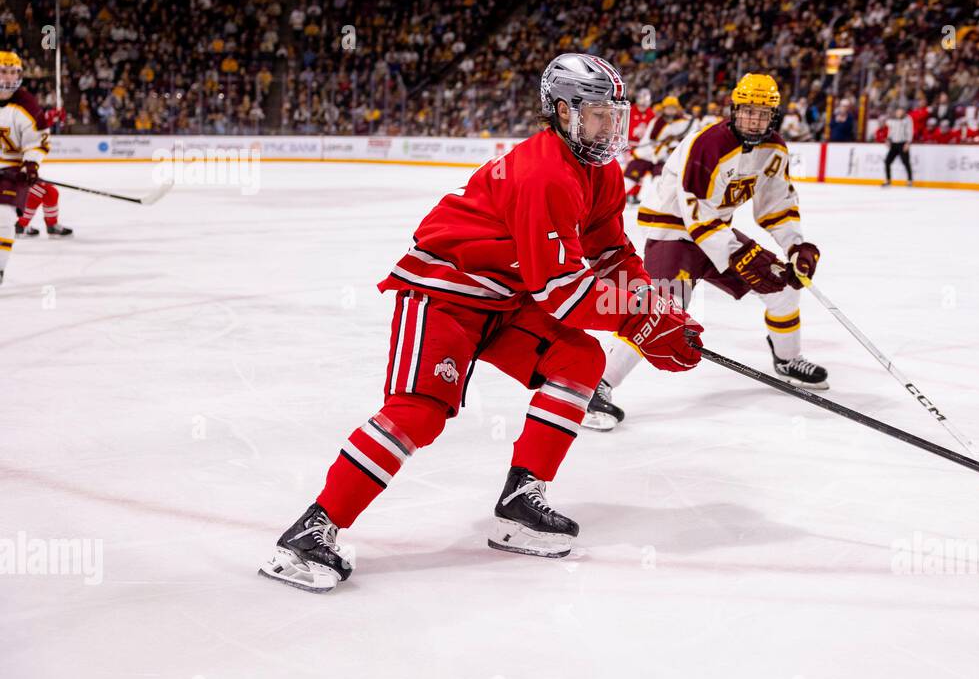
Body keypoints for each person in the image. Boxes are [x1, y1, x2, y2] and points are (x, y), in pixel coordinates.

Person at [259, 54, 704, 592]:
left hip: (508, 294)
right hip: (447, 291)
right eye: (596, 115)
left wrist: (659, 308)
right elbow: (562, 294)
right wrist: (638, 320)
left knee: (580, 360)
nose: (611, 128)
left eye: (615, 115)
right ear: (562, 112)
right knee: (418, 413)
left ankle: (521, 502)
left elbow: (610, 252)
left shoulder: (602, 171)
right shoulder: (545, 173)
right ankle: (312, 529)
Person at [584, 73, 827, 430]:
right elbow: (695, 213)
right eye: (748, 111)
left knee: (785, 286)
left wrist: (796, 244)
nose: (755, 120)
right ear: (734, 109)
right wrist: (740, 253)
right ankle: (598, 385)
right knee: (663, 310)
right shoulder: (708, 144)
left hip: (715, 233)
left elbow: (776, 204)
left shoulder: (773, 150)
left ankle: (787, 359)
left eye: (763, 114)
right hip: (673, 232)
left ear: (773, 116)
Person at [0, 51, 56, 283]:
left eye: (14, 71)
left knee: (3, 218)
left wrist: (31, 166)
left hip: (13, 172)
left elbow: (38, 140)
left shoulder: (27, 104)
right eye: (4, 71)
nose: (10, 77)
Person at [883, 105, 914, 186]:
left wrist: (908, 143)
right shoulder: (892, 119)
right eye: (898, 111)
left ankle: (910, 180)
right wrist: (888, 139)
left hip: (903, 143)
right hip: (894, 143)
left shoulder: (907, 119)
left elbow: (910, 131)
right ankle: (888, 180)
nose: (899, 113)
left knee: (906, 162)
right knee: (887, 161)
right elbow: (891, 131)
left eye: (901, 111)